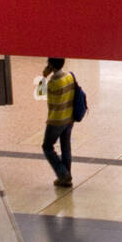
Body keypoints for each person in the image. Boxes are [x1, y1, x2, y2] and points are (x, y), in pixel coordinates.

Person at [41, 56, 75, 188]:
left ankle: (62, 173)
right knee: (65, 146)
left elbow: (40, 93)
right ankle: (66, 177)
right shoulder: (69, 77)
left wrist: (44, 77)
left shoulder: (53, 82)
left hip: (56, 120)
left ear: (51, 65)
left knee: (47, 147)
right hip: (69, 118)